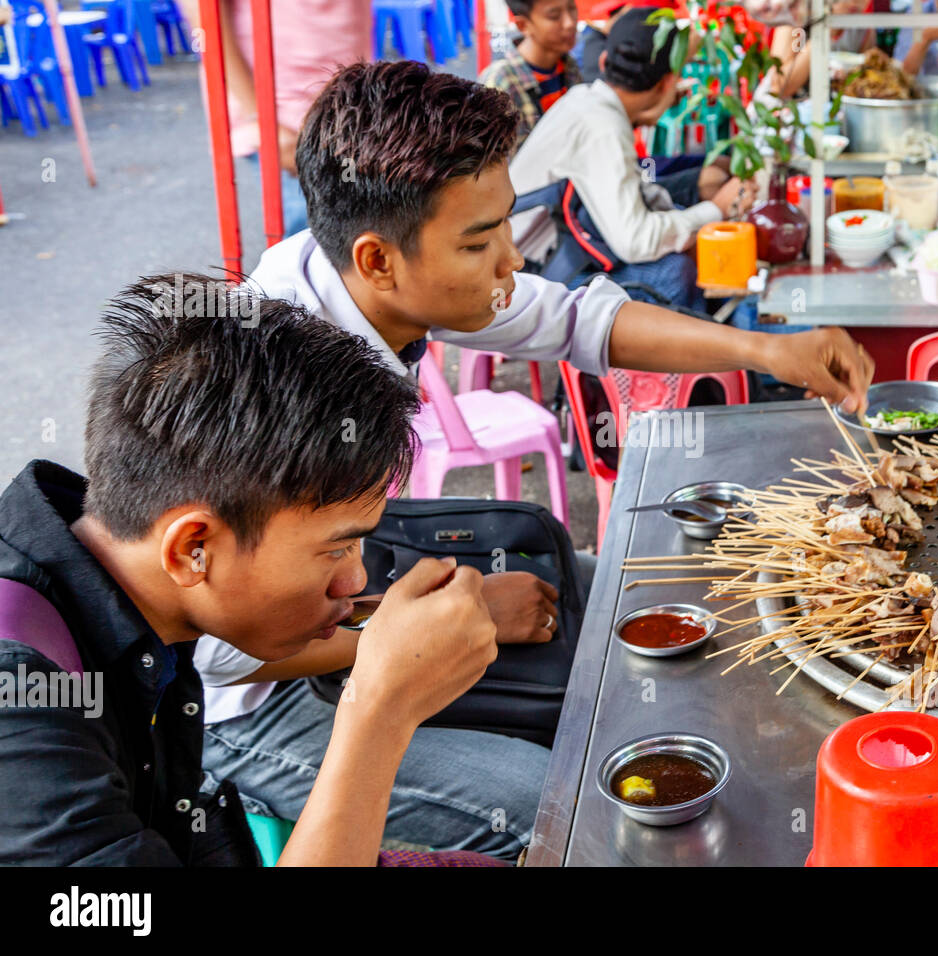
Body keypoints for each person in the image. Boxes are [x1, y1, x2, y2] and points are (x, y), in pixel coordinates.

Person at [194, 59, 874, 855]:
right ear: (380, 260)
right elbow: (225, 656)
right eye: (481, 243)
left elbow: (580, 323)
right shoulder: (282, 388)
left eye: (506, 226)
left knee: (645, 593)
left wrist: (769, 349)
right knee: (575, 806)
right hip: (257, 702)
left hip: (349, 583)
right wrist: (473, 611)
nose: (511, 262)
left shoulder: (369, 266)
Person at [0, 277, 510, 865]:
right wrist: (380, 709)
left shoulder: (136, 595)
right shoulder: (24, 715)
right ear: (192, 547)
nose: (355, 583)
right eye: (335, 550)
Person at [509, 8, 752, 311]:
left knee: (681, 224)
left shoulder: (588, 98)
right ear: (667, 83)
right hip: (529, 276)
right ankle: (692, 353)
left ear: (603, 62)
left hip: (562, 244)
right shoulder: (603, 128)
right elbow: (635, 240)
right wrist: (716, 209)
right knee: (673, 274)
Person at [178, 0, 370, 236]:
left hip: (349, 112)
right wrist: (261, 120)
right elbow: (203, 16)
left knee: (353, 219)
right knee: (318, 236)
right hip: (285, 119)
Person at [477, 0, 583, 146]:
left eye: (572, 8)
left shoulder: (570, 66)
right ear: (523, 25)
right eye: (554, 16)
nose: (569, 23)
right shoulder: (499, 84)